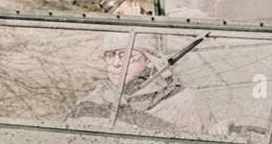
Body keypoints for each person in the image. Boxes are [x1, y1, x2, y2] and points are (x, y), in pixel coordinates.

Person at [67, 32, 217, 134]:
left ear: (150, 61)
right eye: (110, 55)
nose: (116, 63)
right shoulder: (90, 106)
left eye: (126, 56)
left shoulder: (186, 102)